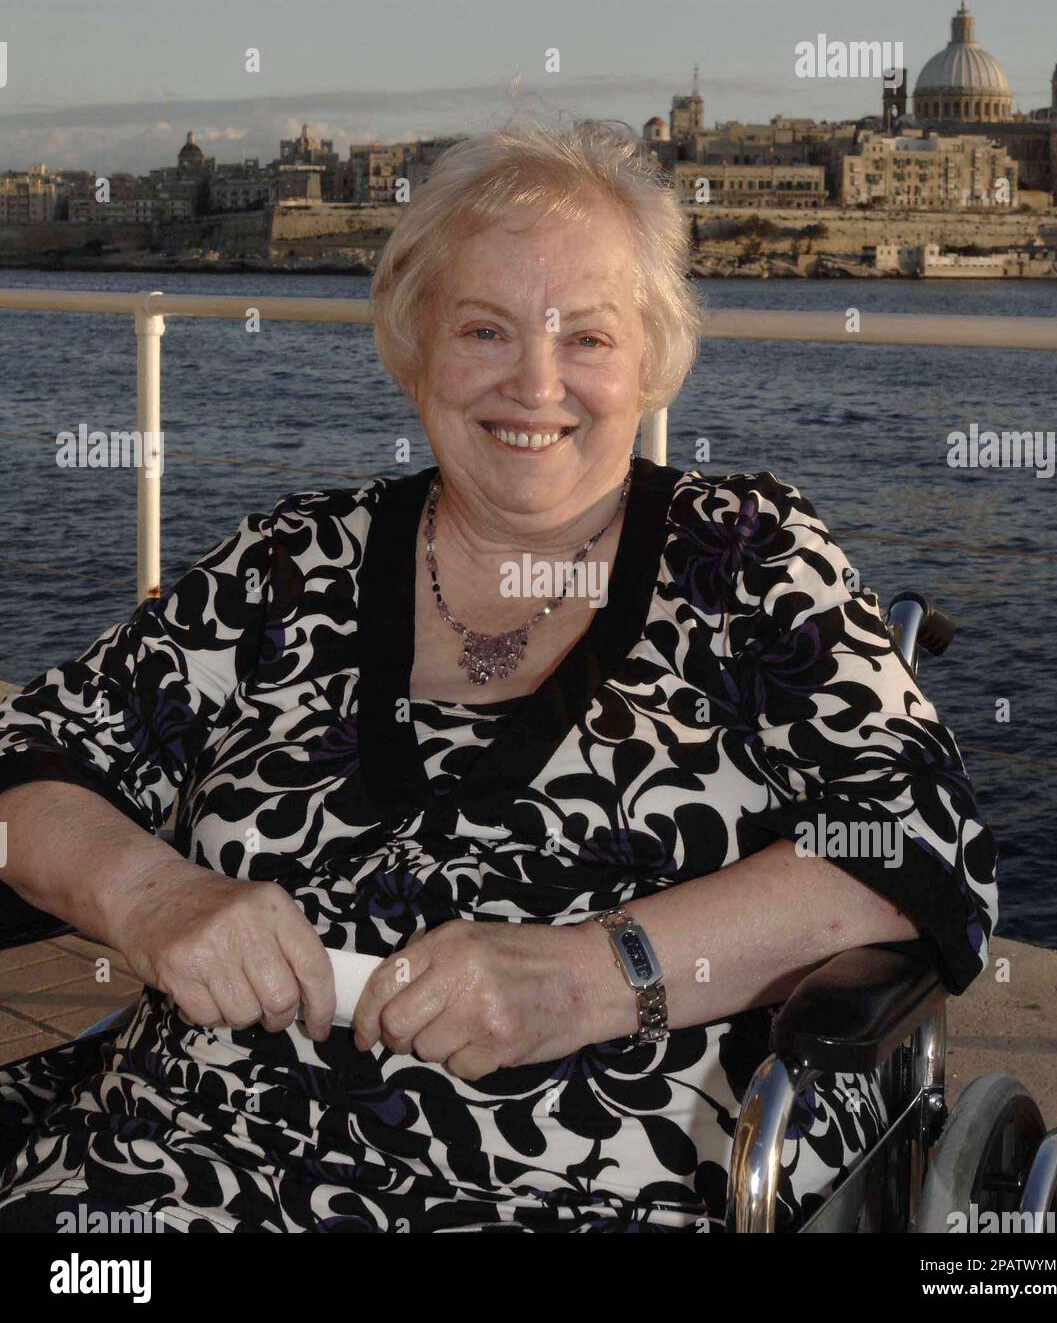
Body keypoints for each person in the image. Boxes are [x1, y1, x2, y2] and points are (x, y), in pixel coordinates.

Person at [0, 119, 998, 1232]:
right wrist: (155, 897)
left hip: (581, 1191)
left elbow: (919, 834)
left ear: (654, 359)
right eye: (486, 328)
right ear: (414, 340)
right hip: (169, 1167)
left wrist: (592, 975)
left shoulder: (746, 557)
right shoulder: (287, 564)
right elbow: (36, 761)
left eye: (588, 338)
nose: (536, 384)